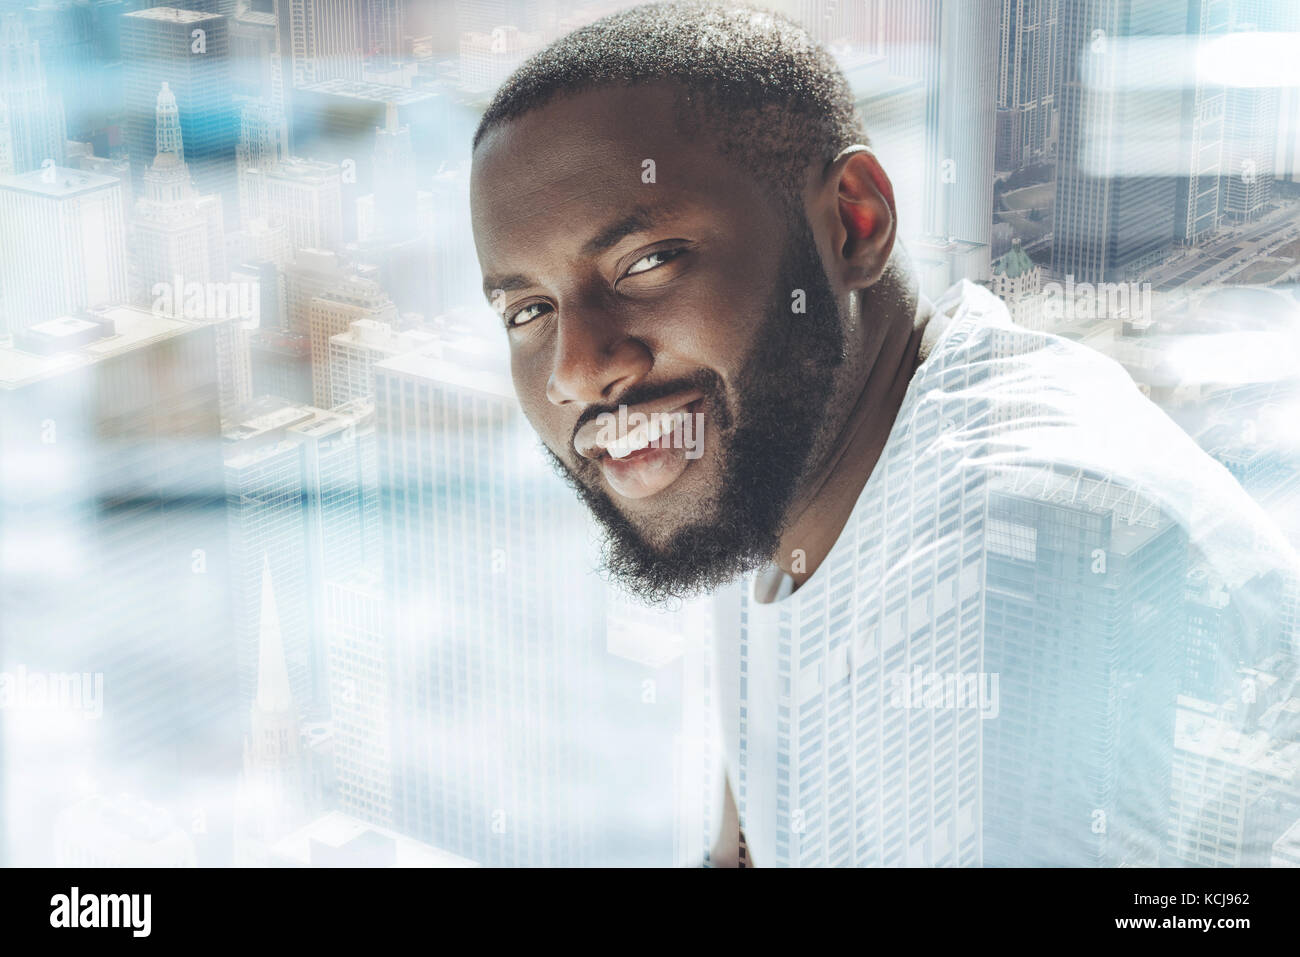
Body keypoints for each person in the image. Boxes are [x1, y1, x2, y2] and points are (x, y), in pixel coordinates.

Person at [469, 1, 1298, 866]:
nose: (577, 367)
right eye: (528, 310)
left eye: (648, 261)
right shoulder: (768, 467)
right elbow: (750, 844)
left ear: (854, 224)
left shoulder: (1016, 557)